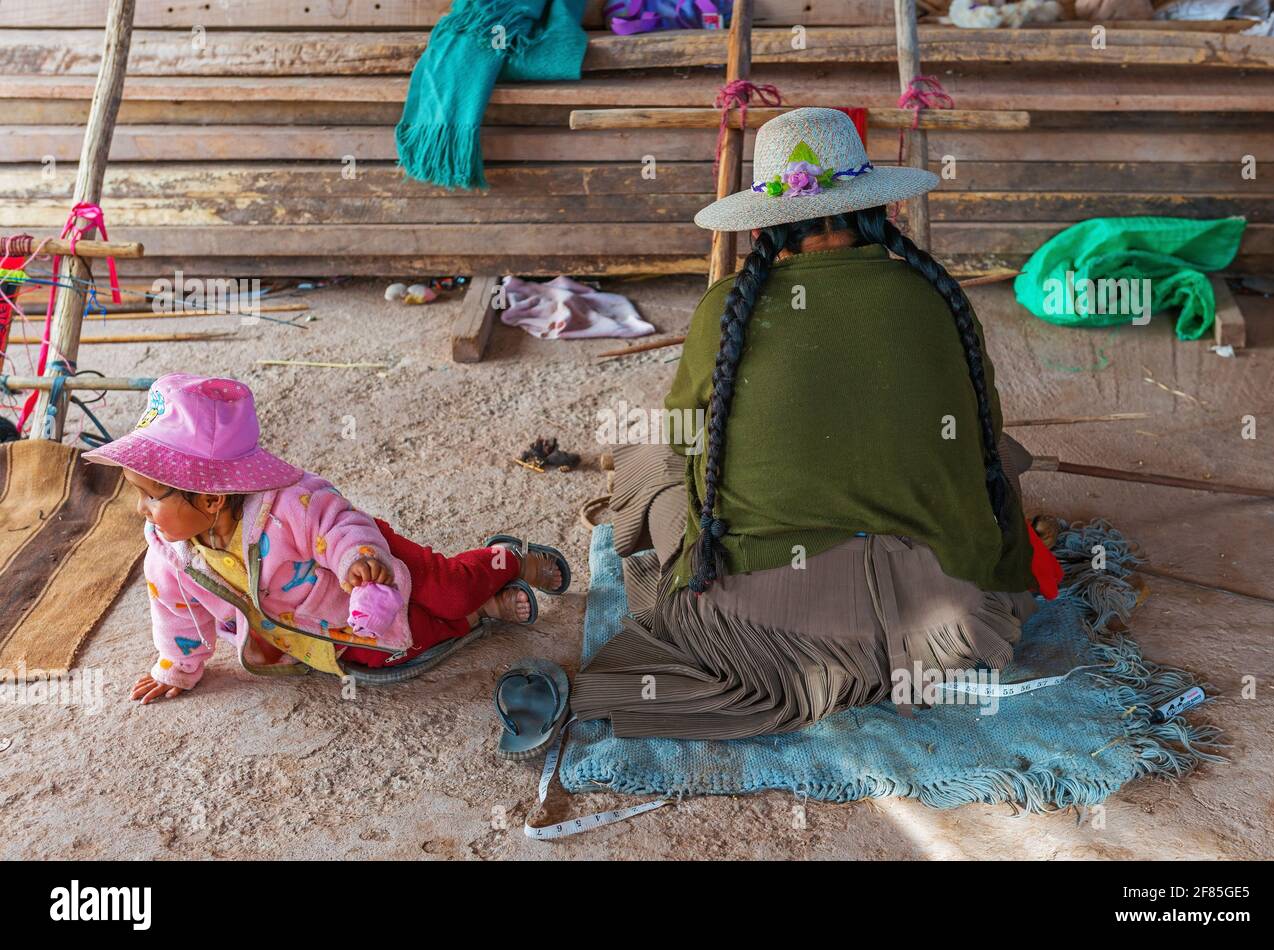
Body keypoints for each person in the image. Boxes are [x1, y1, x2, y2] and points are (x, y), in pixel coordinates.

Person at [571, 108, 1061, 740]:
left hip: (771, 639)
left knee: (652, 456)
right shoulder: (937, 297)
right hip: (953, 631)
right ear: (873, 211)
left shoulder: (727, 311)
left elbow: (690, 452)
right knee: (998, 452)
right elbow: (986, 437)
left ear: (768, 224)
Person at [84, 373, 568, 704]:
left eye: (151, 496)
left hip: (368, 565)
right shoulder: (170, 555)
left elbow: (339, 523)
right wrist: (178, 668)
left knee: (448, 590)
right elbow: (174, 611)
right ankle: (484, 611)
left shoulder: (289, 502)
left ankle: (506, 561)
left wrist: (359, 558)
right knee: (396, 653)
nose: (140, 510)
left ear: (211, 499)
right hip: (334, 618)